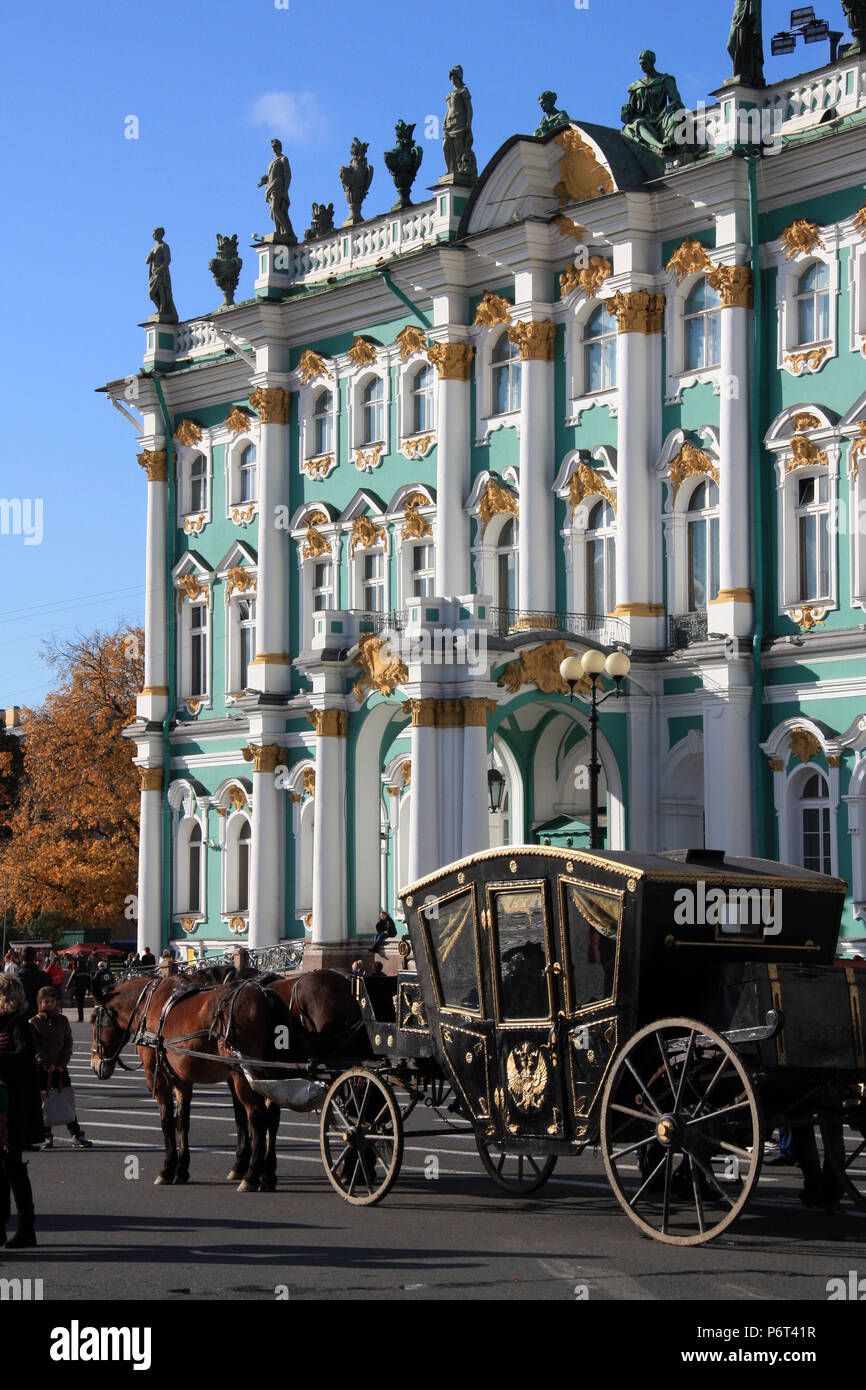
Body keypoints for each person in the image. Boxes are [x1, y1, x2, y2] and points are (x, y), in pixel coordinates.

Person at [0, 974, 43, 1247]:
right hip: (7, 1103)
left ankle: (25, 1226)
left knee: (12, 1166)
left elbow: (24, 1060)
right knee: (10, 1167)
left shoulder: (19, 1024)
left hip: (12, 1107)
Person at [30, 987, 92, 1150]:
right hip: (42, 1068)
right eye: (45, 1001)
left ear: (55, 1002)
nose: (48, 1004)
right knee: (44, 1101)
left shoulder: (63, 1020)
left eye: (51, 1001)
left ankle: (76, 1133)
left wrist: (61, 1064)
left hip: (60, 1067)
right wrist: (45, 1063)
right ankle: (46, 1135)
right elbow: (34, 1046)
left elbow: (67, 1043)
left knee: (66, 1098)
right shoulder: (34, 1022)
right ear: (39, 1003)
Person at [15, 946, 52, 1018]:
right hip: (40, 1014)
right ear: (35, 959)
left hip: (21, 1015)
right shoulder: (44, 976)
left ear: (21, 958)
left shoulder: (17, 976)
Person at [67, 959, 92, 1023]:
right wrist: (89, 990)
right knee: (81, 1004)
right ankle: (81, 1017)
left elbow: (71, 979)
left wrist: (67, 987)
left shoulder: (76, 970)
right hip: (83, 989)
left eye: (78, 963)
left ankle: (80, 1018)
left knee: (79, 1004)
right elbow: (89, 981)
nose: (77, 964)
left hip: (77, 989)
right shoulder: (87, 971)